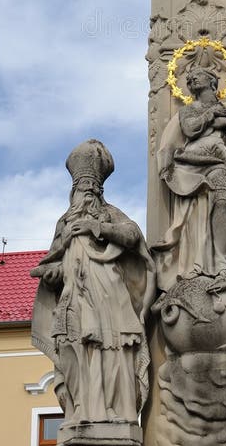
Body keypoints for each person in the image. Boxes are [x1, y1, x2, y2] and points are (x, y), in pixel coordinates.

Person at [30, 139, 155, 425]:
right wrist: (52, 275)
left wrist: (96, 226)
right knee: (73, 356)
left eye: (90, 189)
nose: (85, 195)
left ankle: (114, 413)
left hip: (110, 299)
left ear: (98, 191)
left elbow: (133, 236)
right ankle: (81, 413)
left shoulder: (108, 214)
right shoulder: (64, 223)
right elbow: (58, 264)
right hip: (74, 299)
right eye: (80, 189)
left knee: (113, 356)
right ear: (72, 191)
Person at [152, 66, 226, 291]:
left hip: (220, 163)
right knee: (196, 217)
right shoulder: (190, 109)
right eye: (188, 78)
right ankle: (199, 260)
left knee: (223, 200)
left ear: (212, 82)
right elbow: (190, 129)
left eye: (197, 75)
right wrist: (212, 116)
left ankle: (220, 258)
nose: (190, 78)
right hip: (192, 163)